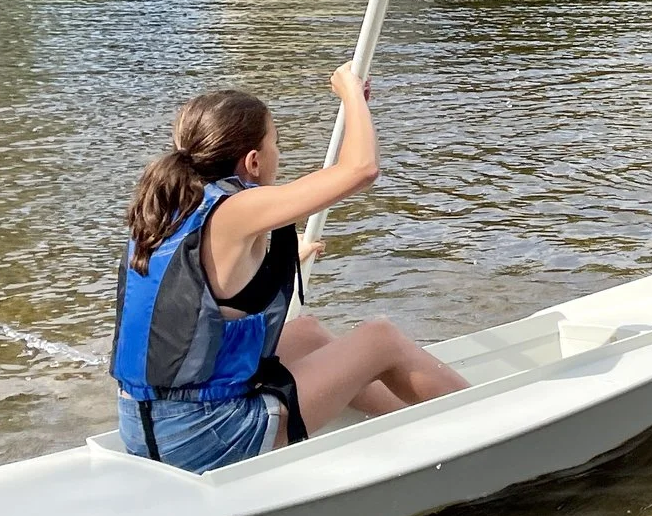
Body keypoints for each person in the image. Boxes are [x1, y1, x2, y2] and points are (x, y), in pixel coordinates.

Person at [109, 68, 468, 473]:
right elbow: (361, 169)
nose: (280, 154)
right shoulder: (235, 208)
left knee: (308, 334)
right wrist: (350, 93)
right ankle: (489, 420)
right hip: (209, 436)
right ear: (254, 161)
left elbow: (195, 295)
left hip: (147, 430)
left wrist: (279, 261)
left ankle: (402, 422)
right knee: (379, 338)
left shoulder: (168, 207)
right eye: (277, 143)